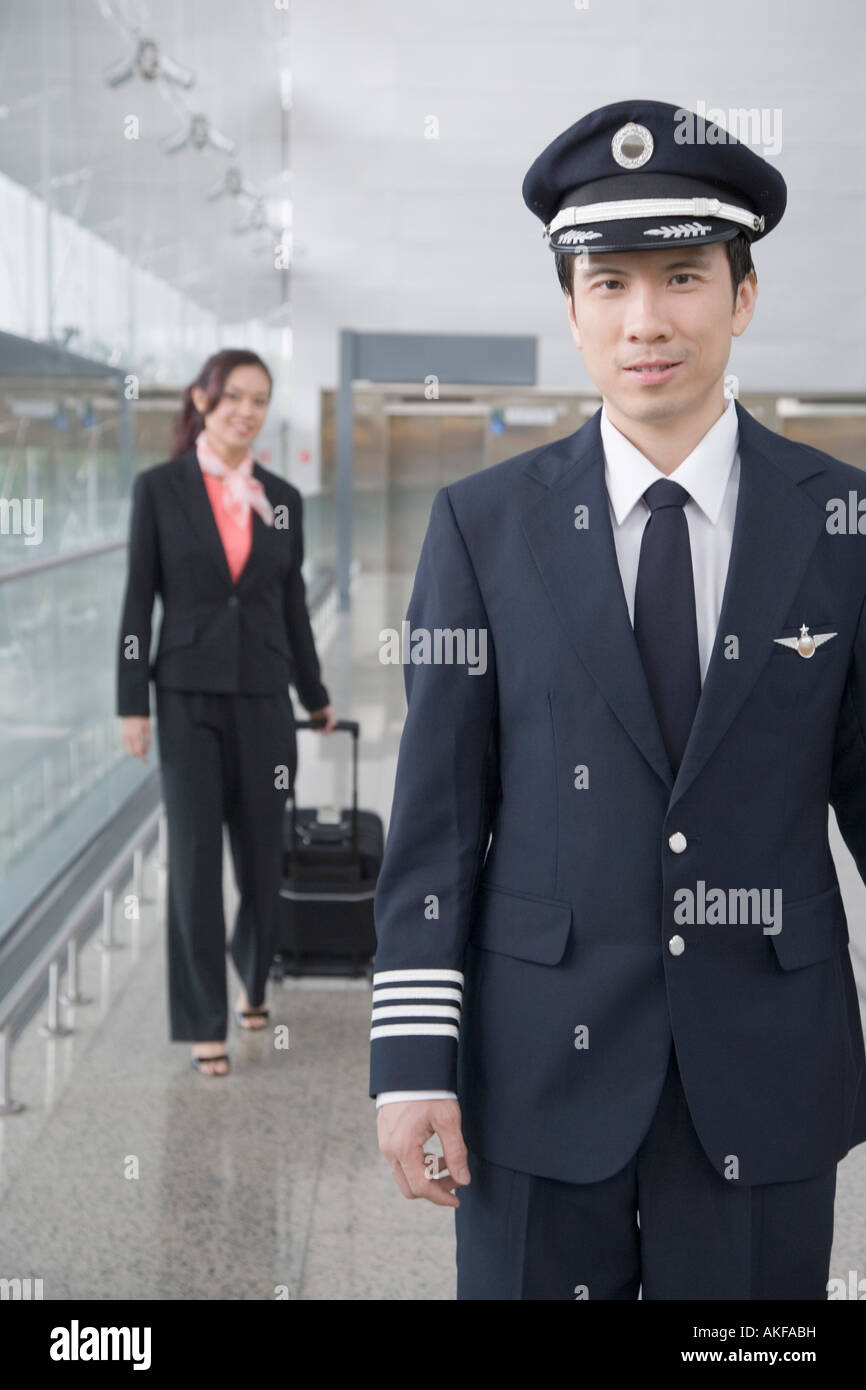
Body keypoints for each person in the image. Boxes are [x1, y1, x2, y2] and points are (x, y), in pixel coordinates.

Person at [370, 99, 866, 1299]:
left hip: (763, 1064)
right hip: (533, 1069)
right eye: (609, 284)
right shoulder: (482, 528)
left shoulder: (839, 524)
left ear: (741, 298)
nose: (646, 319)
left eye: (683, 277)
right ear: (572, 310)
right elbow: (437, 816)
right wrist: (408, 1061)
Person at [117, 348, 337, 1076]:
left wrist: (314, 692)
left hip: (264, 694)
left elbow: (289, 604)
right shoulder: (159, 489)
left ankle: (254, 970)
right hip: (184, 695)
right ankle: (205, 1018)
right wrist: (131, 704)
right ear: (203, 400)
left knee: (263, 854)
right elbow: (136, 601)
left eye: (260, 399)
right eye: (235, 396)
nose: (248, 410)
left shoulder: (282, 498)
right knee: (195, 862)